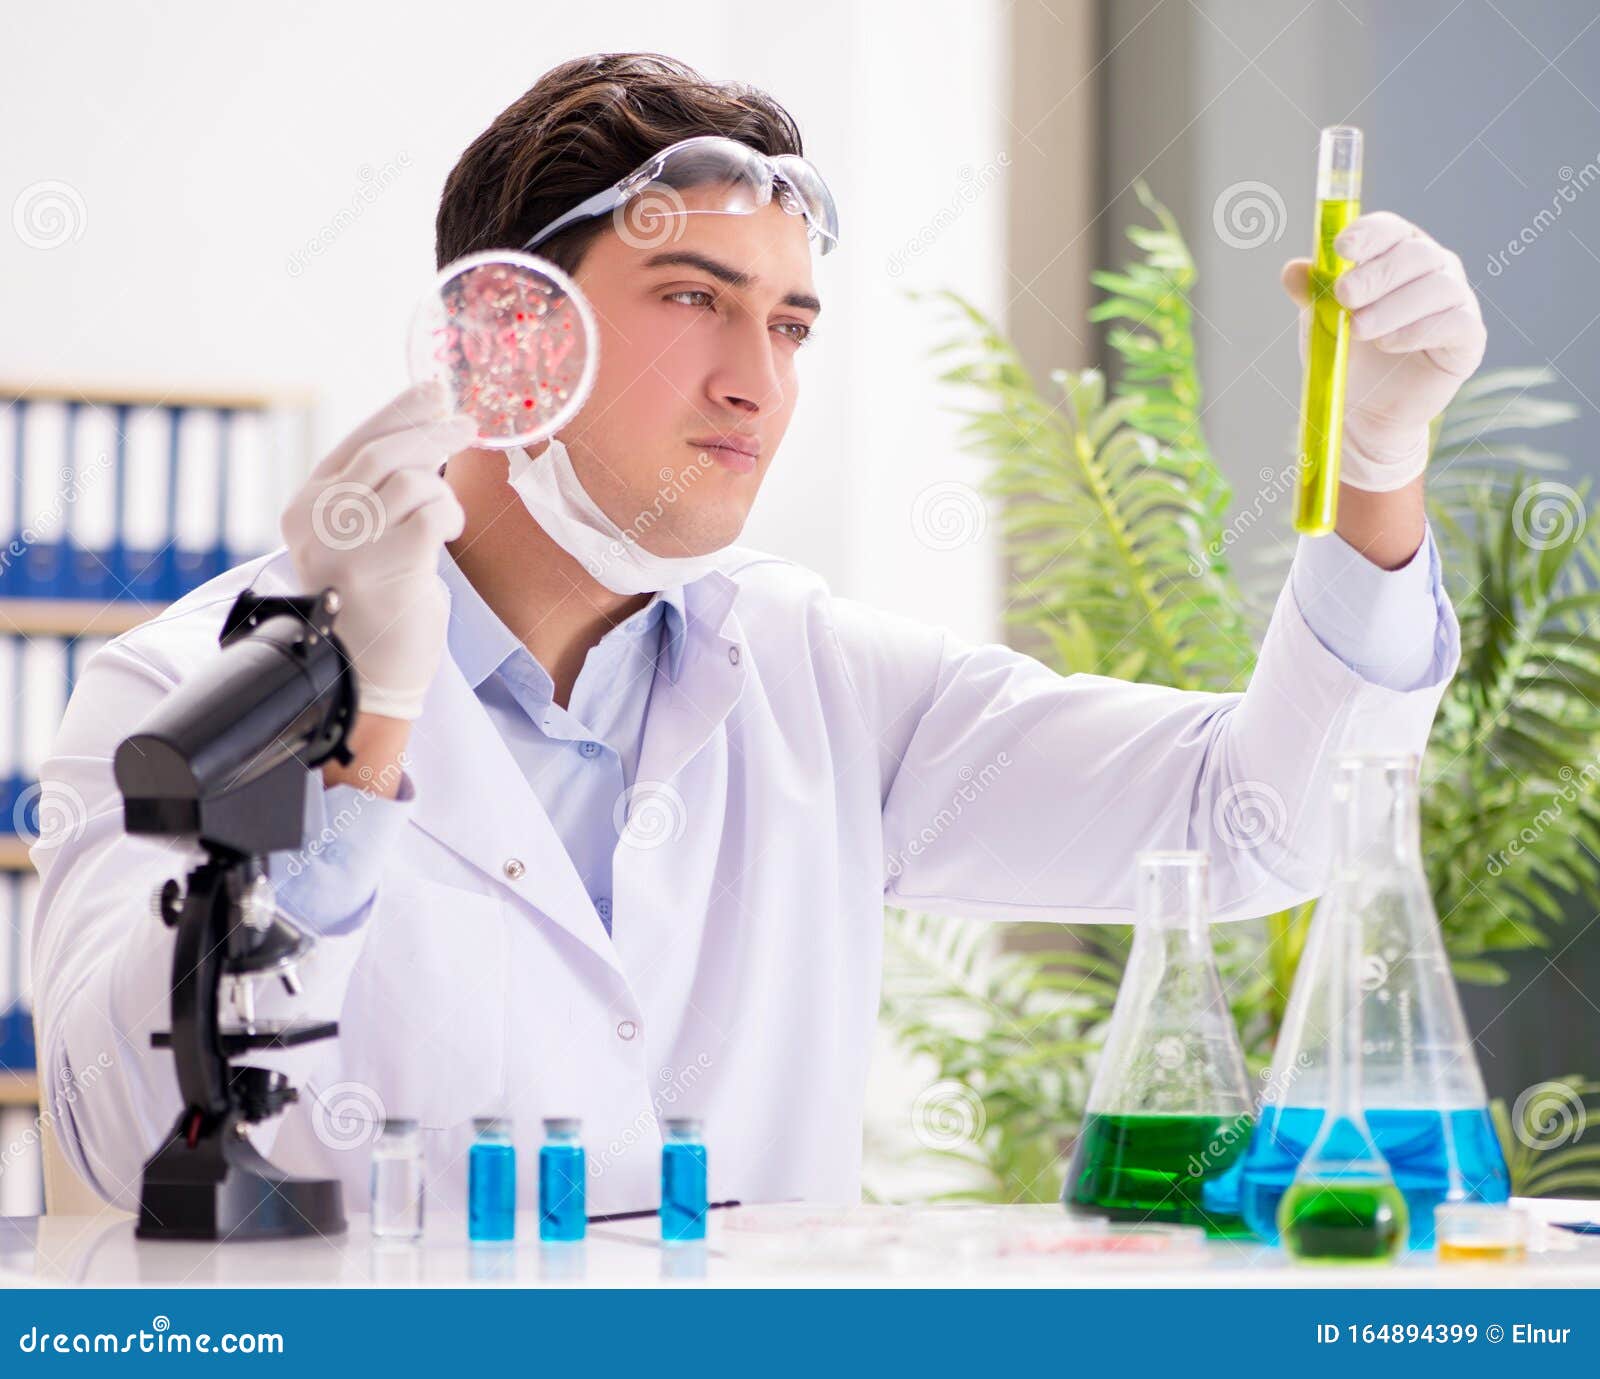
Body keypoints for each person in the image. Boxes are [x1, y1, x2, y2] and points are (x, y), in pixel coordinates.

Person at [32, 52, 1482, 1217]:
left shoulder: (820, 680)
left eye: (790, 326)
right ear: (500, 334)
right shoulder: (182, 690)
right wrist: (374, 736)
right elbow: (126, 1130)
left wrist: (1377, 480)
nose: (757, 385)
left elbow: (1254, 824)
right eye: (694, 302)